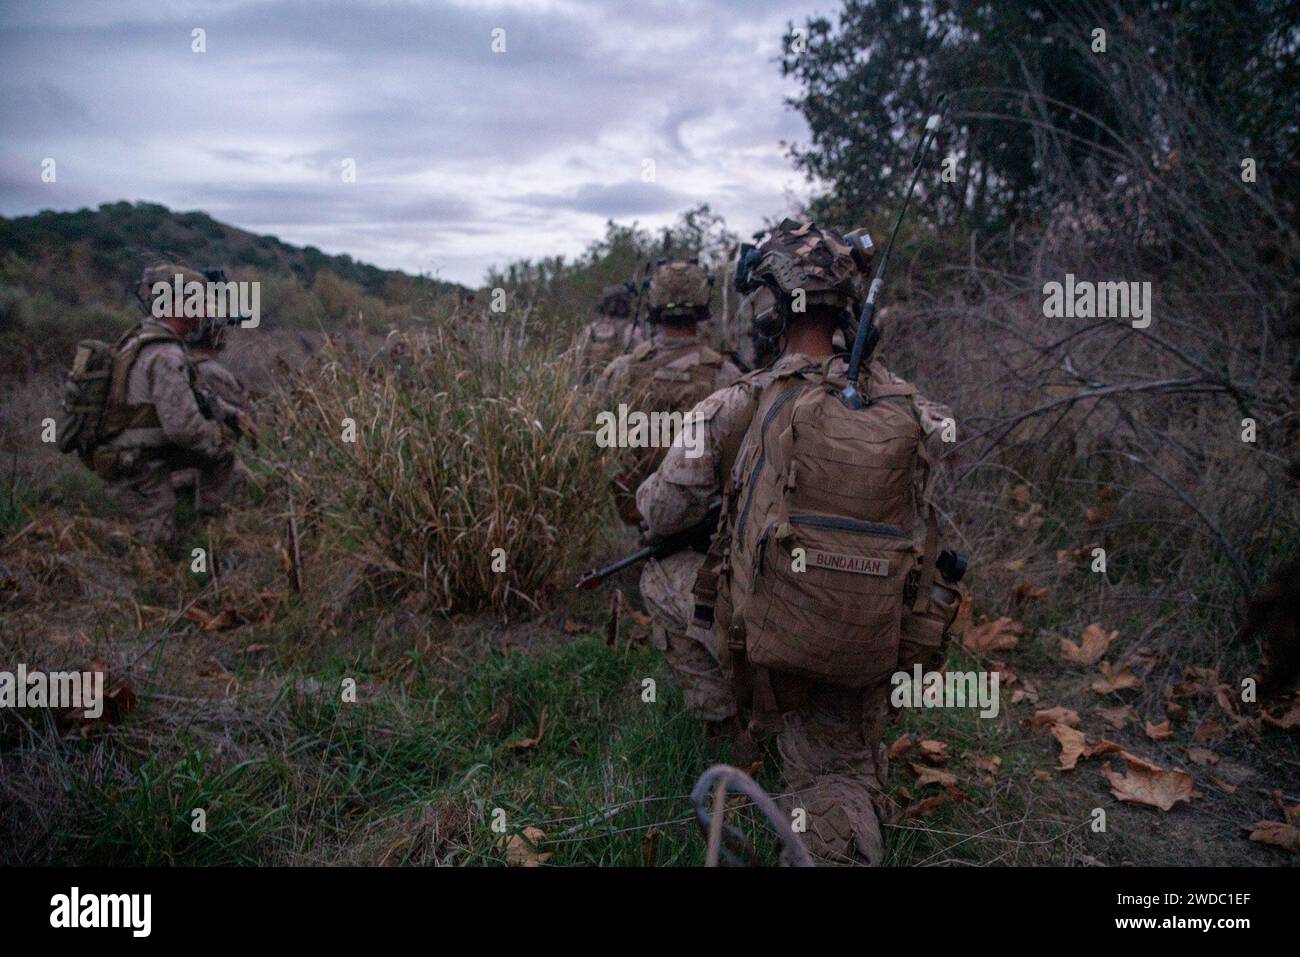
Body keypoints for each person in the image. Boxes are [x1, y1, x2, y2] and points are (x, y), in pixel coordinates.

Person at [634, 220, 960, 865]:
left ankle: (735, 734)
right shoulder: (914, 410)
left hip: (768, 646)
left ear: (768, 312)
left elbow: (660, 512)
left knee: (657, 575)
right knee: (838, 784)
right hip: (867, 647)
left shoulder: (735, 403)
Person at [92, 263, 246, 545]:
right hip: (136, 462)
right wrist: (219, 435)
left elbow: (197, 395)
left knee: (220, 454)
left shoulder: (142, 338)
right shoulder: (165, 354)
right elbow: (183, 428)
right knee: (156, 542)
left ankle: (209, 533)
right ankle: (87, 536)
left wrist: (231, 414)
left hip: (134, 452)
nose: (205, 311)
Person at [596, 259, 740, 525]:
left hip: (631, 520)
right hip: (701, 527)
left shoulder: (620, 371)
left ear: (652, 302)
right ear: (702, 304)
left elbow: (600, 448)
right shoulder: (726, 375)